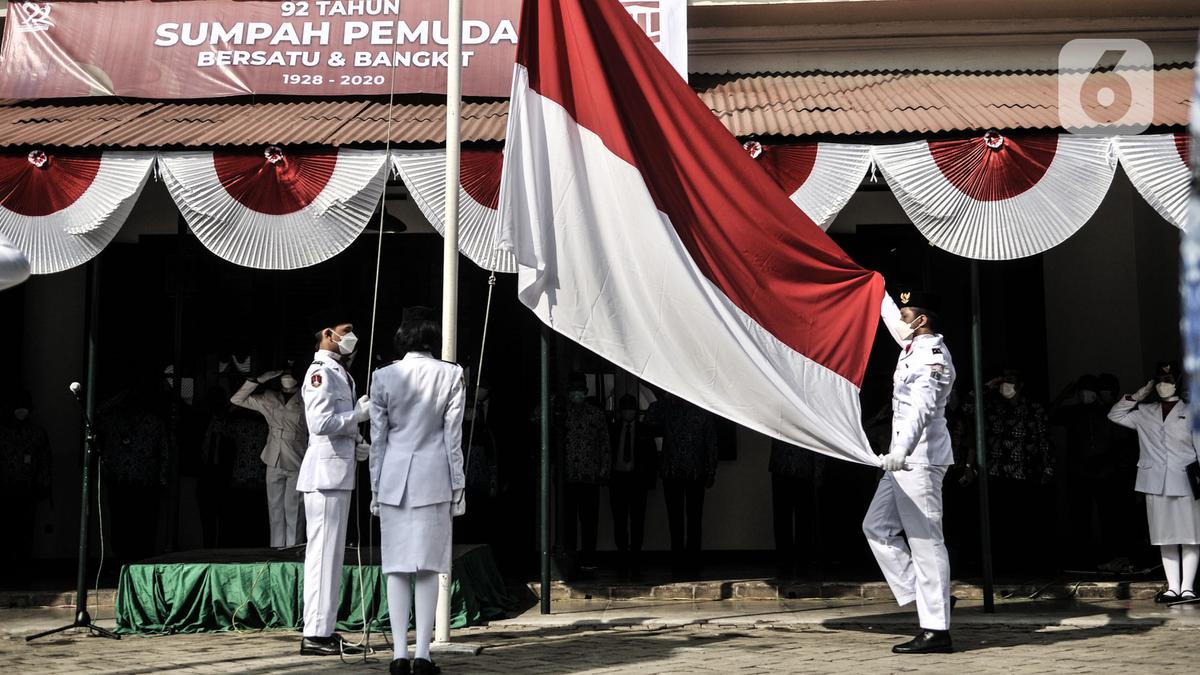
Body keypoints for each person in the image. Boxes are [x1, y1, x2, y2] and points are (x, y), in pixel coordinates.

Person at [369, 307, 466, 675]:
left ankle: (398, 655)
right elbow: (451, 438)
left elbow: (377, 441)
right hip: (433, 476)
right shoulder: (451, 374)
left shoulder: (383, 376)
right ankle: (423, 654)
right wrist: (458, 485)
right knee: (428, 567)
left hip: (394, 476)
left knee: (395, 567)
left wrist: (375, 487)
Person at [864, 290, 956, 654]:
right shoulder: (912, 347)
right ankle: (929, 599)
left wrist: (901, 450)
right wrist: (875, 284)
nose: (899, 320)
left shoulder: (932, 357)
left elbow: (922, 408)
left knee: (926, 542)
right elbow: (887, 314)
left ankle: (937, 630)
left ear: (922, 322)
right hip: (900, 460)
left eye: (906, 315)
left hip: (918, 458)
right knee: (876, 527)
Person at [297, 317, 370, 657]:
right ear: (326, 333)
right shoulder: (321, 373)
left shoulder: (340, 372)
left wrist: (357, 440)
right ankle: (315, 633)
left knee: (331, 558)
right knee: (323, 557)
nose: (350, 337)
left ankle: (323, 628)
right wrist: (357, 417)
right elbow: (320, 422)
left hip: (337, 473)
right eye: (345, 331)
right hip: (324, 477)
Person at [1108, 361, 1200, 603]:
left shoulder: (1192, 411)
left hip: (1186, 480)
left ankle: (1188, 587)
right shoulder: (1145, 412)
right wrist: (1140, 393)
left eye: (1168, 381)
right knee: (1164, 536)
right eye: (1158, 381)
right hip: (1155, 481)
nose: (1162, 386)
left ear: (1178, 384)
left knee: (1190, 535)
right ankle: (1173, 587)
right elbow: (1115, 414)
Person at [962, 371, 1054, 571]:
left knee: (1023, 520)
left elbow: (1044, 438)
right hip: (996, 471)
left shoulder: (1033, 407)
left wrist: (1048, 467)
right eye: (1002, 381)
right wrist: (988, 385)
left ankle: (1023, 564)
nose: (1005, 385)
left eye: (1010, 381)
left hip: (1024, 472)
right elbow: (967, 406)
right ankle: (1001, 565)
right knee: (999, 520)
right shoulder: (993, 407)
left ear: (1020, 384)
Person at [644, 391, 718, 579]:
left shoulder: (698, 411)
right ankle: (681, 557)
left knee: (691, 518)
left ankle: (690, 558)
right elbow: (649, 421)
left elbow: (711, 442)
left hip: (691, 471)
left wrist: (710, 471)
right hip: (677, 471)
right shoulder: (671, 408)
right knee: (679, 518)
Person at [231, 369, 309, 548]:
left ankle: (292, 550)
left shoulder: (306, 399)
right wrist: (258, 380)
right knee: (275, 509)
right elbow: (237, 399)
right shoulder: (269, 398)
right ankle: (276, 550)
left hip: (296, 459)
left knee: (294, 510)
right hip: (273, 458)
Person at [561, 372, 610, 573]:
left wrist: (604, 470)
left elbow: (605, 444)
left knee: (589, 521)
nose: (576, 394)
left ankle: (589, 558)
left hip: (590, 477)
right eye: (573, 390)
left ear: (586, 391)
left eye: (579, 390)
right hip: (568, 477)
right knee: (568, 521)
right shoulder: (562, 414)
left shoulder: (595, 415)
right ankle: (570, 558)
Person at [0, 391, 51, 575]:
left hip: (28, 489)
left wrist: (43, 484)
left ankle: (22, 565)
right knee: (7, 528)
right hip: (6, 488)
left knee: (25, 529)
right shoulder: (4, 433)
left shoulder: (36, 433)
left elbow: (44, 460)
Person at [609, 394, 657, 580]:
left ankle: (636, 556)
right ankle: (622, 554)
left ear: (635, 412)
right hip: (618, 479)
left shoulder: (644, 430)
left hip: (637, 480)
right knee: (619, 520)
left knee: (637, 521)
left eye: (631, 409)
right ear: (621, 412)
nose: (628, 412)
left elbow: (652, 457)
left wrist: (649, 482)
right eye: (625, 409)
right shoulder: (613, 429)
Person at [769, 439, 823, 578]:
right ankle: (784, 558)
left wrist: (817, 471)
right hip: (782, 467)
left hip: (803, 470)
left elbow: (817, 443)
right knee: (782, 517)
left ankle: (803, 558)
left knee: (804, 518)